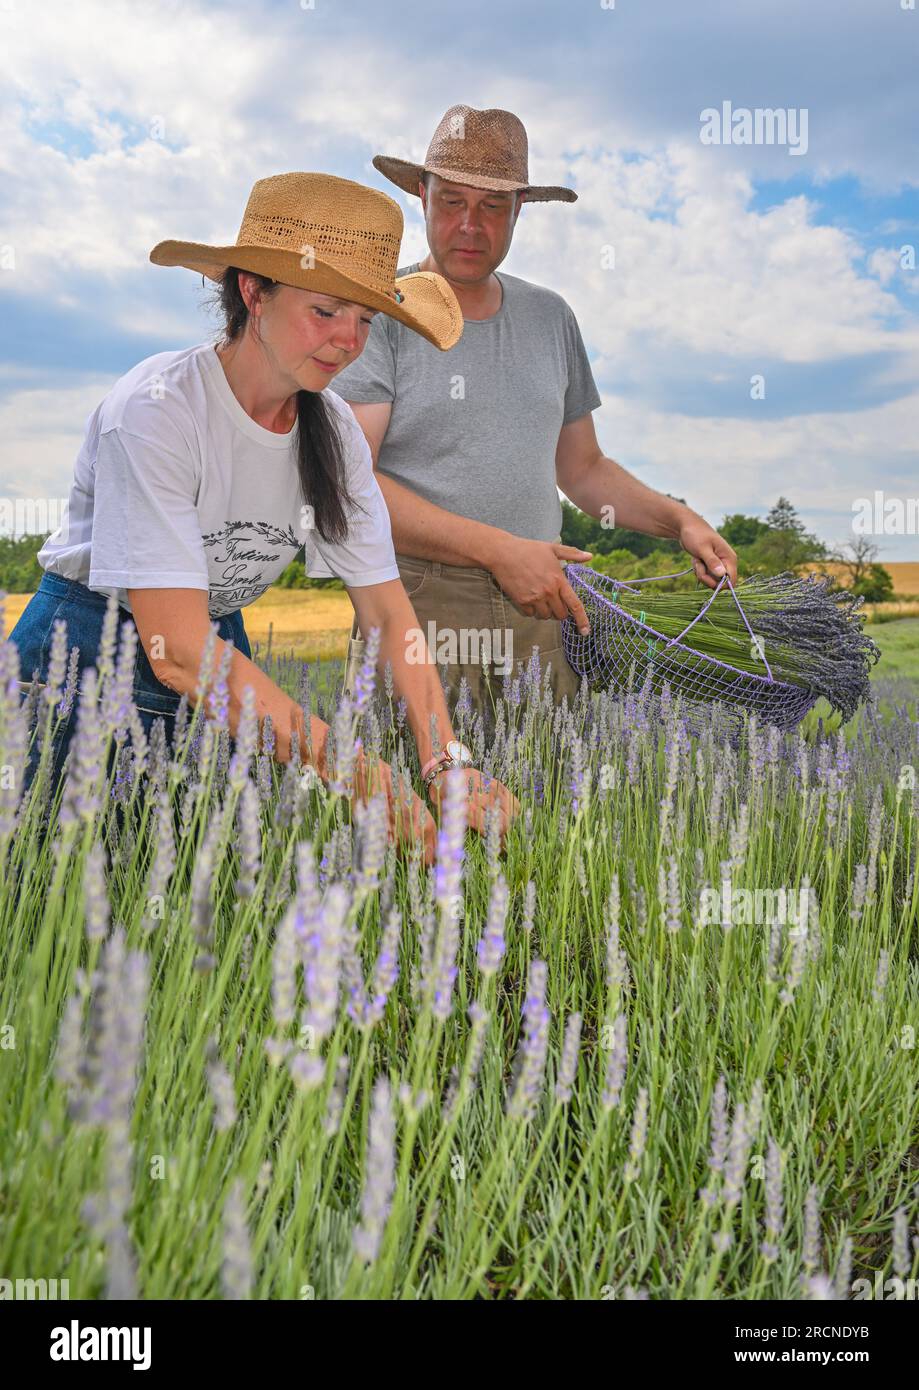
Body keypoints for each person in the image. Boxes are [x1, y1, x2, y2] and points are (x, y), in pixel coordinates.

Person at [9, 171, 518, 858]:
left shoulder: (333, 431)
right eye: (327, 311)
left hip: (221, 654)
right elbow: (178, 648)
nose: (348, 340)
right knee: (49, 889)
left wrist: (443, 761)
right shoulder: (157, 411)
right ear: (253, 291)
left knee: (199, 890)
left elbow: (389, 613)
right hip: (84, 654)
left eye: (365, 320)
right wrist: (357, 774)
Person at [335, 106, 738, 724]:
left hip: (543, 607)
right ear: (421, 195)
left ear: (520, 208)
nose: (470, 226)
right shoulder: (376, 311)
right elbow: (353, 481)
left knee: (545, 799)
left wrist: (678, 520)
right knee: (411, 805)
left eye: (493, 207)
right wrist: (500, 551)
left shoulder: (551, 318)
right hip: (417, 600)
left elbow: (583, 470)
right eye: (451, 201)